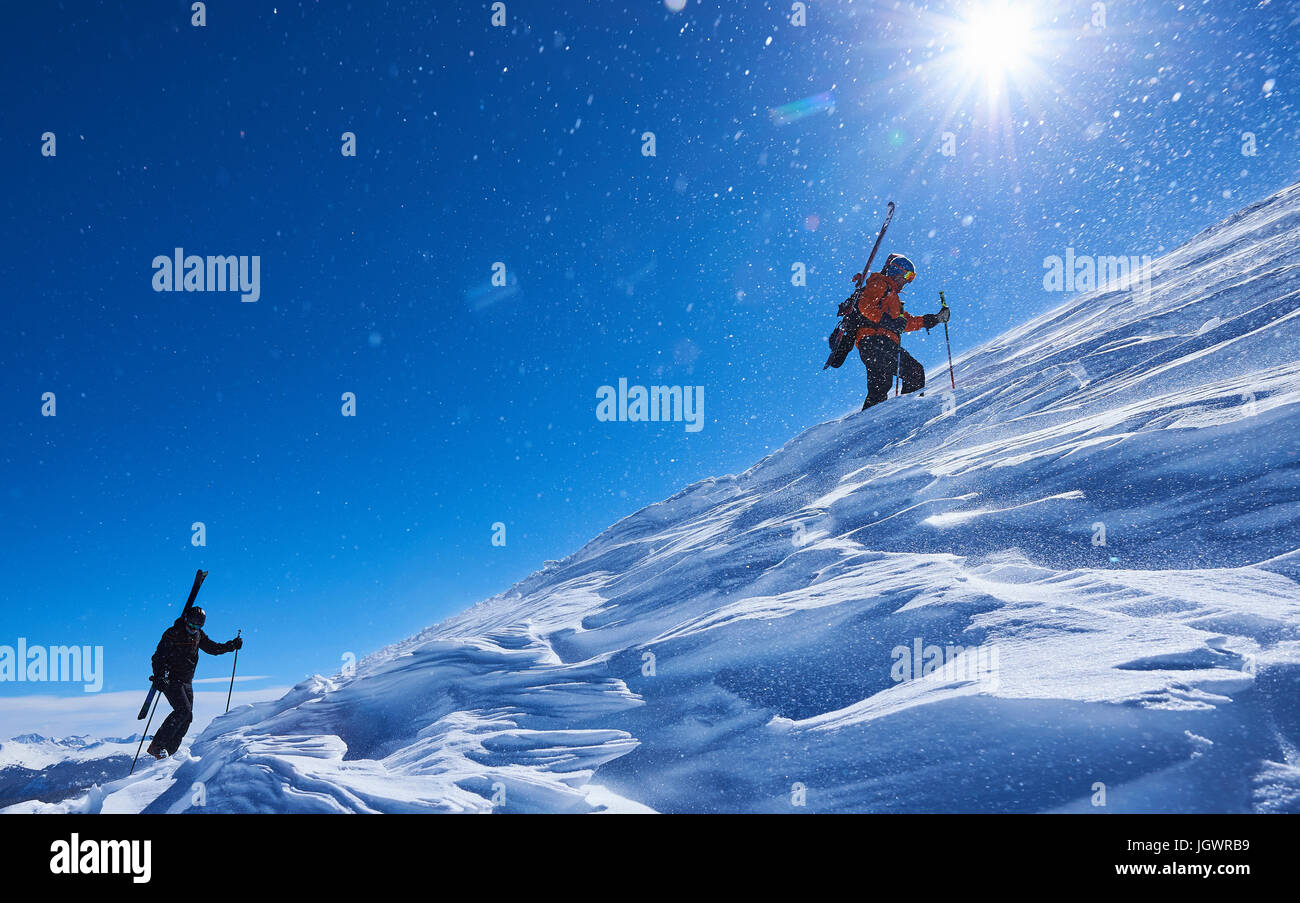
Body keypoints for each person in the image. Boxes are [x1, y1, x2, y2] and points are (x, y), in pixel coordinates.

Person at [849, 253, 950, 411]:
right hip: (875, 341)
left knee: (880, 389)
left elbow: (907, 323)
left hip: (874, 345)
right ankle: (908, 415)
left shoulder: (894, 299)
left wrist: (935, 319)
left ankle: (867, 428)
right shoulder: (880, 284)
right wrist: (886, 321)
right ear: (897, 272)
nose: (908, 281)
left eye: (912, 277)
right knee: (914, 371)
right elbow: (865, 306)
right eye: (908, 276)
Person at [146, 606, 242, 759]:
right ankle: (157, 746)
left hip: (186, 680)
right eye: (191, 625)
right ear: (186, 620)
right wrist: (159, 676)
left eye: (198, 626)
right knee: (182, 711)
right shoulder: (173, 634)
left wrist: (231, 646)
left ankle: (169, 752)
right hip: (170, 679)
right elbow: (158, 657)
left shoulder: (198, 635)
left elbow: (213, 648)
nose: (193, 629)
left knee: (187, 716)